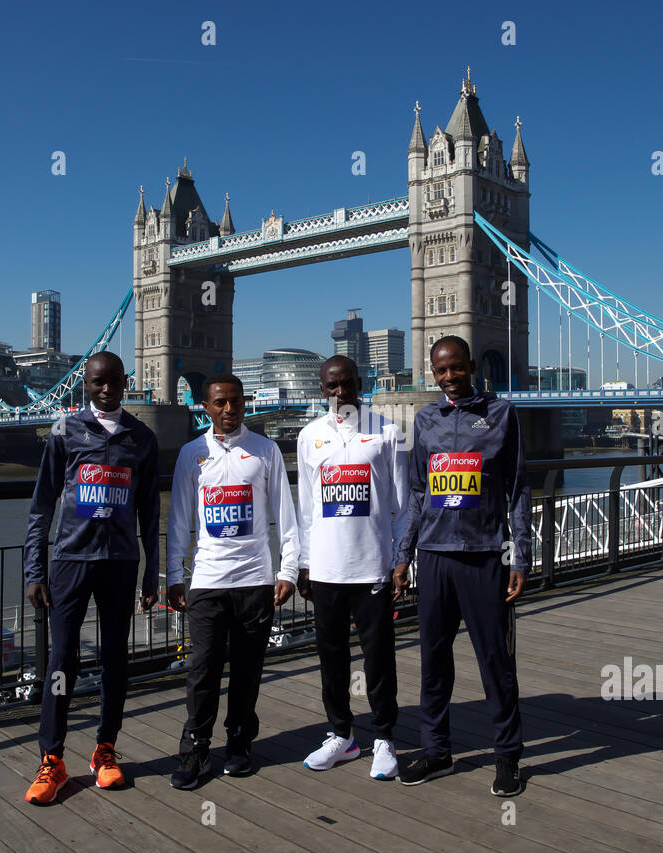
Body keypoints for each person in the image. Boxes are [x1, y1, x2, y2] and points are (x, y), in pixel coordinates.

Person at [393, 336, 531, 796]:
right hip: (433, 559)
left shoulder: (502, 414)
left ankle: (507, 756)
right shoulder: (426, 420)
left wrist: (519, 556)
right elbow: (416, 494)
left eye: (455, 368)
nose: (448, 377)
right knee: (433, 662)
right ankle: (436, 752)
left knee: (495, 662)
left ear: (471, 365)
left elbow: (517, 490)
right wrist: (403, 555)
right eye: (440, 371)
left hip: (482, 557)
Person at [23, 352, 160, 803]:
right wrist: (35, 568)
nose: (106, 390)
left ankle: (105, 750)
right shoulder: (64, 432)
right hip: (70, 560)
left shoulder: (142, 438)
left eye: (114, 382)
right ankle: (52, 759)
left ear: (126, 382)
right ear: (85, 383)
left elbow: (149, 512)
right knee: (61, 660)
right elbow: (42, 506)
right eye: (97, 383)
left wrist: (151, 573)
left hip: (120, 562)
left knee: (115, 660)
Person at [166, 375, 298, 787]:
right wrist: (174, 574)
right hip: (207, 579)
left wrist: (287, 568)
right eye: (220, 402)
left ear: (245, 403)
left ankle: (239, 743)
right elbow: (179, 522)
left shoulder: (266, 450)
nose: (229, 409)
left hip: (255, 579)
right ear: (205, 407)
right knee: (202, 669)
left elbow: (285, 514)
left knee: (247, 669)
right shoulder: (190, 454)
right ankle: (196, 750)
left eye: (236, 402)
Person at [296, 357, 408, 779]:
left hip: (373, 567)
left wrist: (400, 560)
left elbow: (400, 505)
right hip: (325, 569)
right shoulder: (309, 437)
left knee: (378, 658)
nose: (340, 392)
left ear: (360, 384)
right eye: (331, 386)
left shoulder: (387, 432)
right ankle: (341, 735)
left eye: (347, 384)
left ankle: (384, 738)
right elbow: (307, 510)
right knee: (332, 658)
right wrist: (304, 564)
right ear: (322, 389)